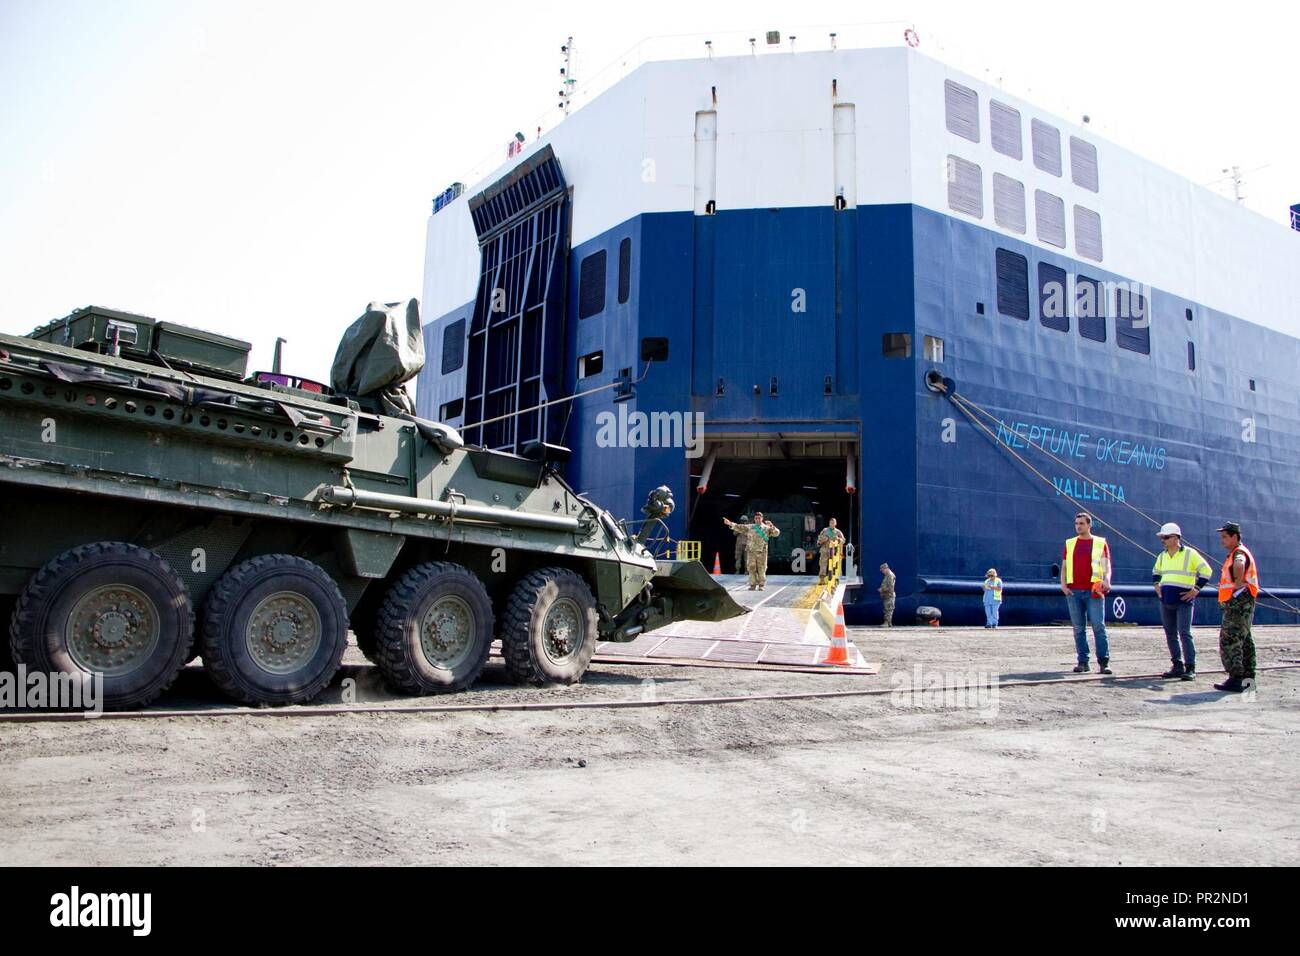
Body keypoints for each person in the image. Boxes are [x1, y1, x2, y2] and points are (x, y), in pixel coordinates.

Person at [1151, 522, 1212, 681]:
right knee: (1170, 633)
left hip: (1184, 600)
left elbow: (1207, 571)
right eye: (1161, 537)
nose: (1162, 540)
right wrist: (1157, 586)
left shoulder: (1190, 554)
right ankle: (1177, 665)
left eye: (1165, 537)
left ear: (1176, 537)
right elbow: (1156, 572)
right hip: (1166, 600)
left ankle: (1190, 667)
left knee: (1184, 633)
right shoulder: (1162, 556)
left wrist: (1196, 589)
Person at [1060, 511, 1112, 674]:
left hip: (1093, 590)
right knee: (1078, 628)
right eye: (1076, 524)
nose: (1078, 526)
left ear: (1089, 525)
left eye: (1081, 523)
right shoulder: (1069, 543)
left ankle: (1104, 662)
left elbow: (1106, 565)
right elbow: (1065, 566)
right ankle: (1083, 662)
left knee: (1098, 626)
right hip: (1074, 591)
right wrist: (1063, 585)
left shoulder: (1100, 543)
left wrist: (1107, 580)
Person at [1212, 522, 1259, 693]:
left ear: (1234, 536)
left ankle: (1236, 679)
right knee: (1245, 640)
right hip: (1245, 601)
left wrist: (1238, 584)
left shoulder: (1238, 553)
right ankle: (1248, 680)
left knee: (1230, 639)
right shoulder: (1239, 552)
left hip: (1238, 603)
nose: (1222, 540)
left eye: (1225, 537)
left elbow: (1239, 564)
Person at [723, 512, 781, 590]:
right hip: (751, 552)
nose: (757, 519)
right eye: (756, 518)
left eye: (759, 518)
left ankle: (761, 585)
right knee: (751, 568)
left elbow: (776, 533)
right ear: (754, 519)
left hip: (762, 552)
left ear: (762, 518)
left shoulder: (766, 528)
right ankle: (752, 585)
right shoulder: (750, 527)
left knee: (762, 568)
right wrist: (730, 523)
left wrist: (772, 526)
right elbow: (739, 527)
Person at [816, 518, 845, 584]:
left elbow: (843, 540)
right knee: (823, 564)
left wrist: (838, 540)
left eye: (833, 523)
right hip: (825, 549)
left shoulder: (838, 532)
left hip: (833, 551)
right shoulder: (825, 530)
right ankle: (822, 579)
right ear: (829, 523)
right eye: (831, 523)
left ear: (835, 523)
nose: (832, 524)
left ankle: (834, 578)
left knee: (833, 565)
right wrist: (820, 541)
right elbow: (819, 539)